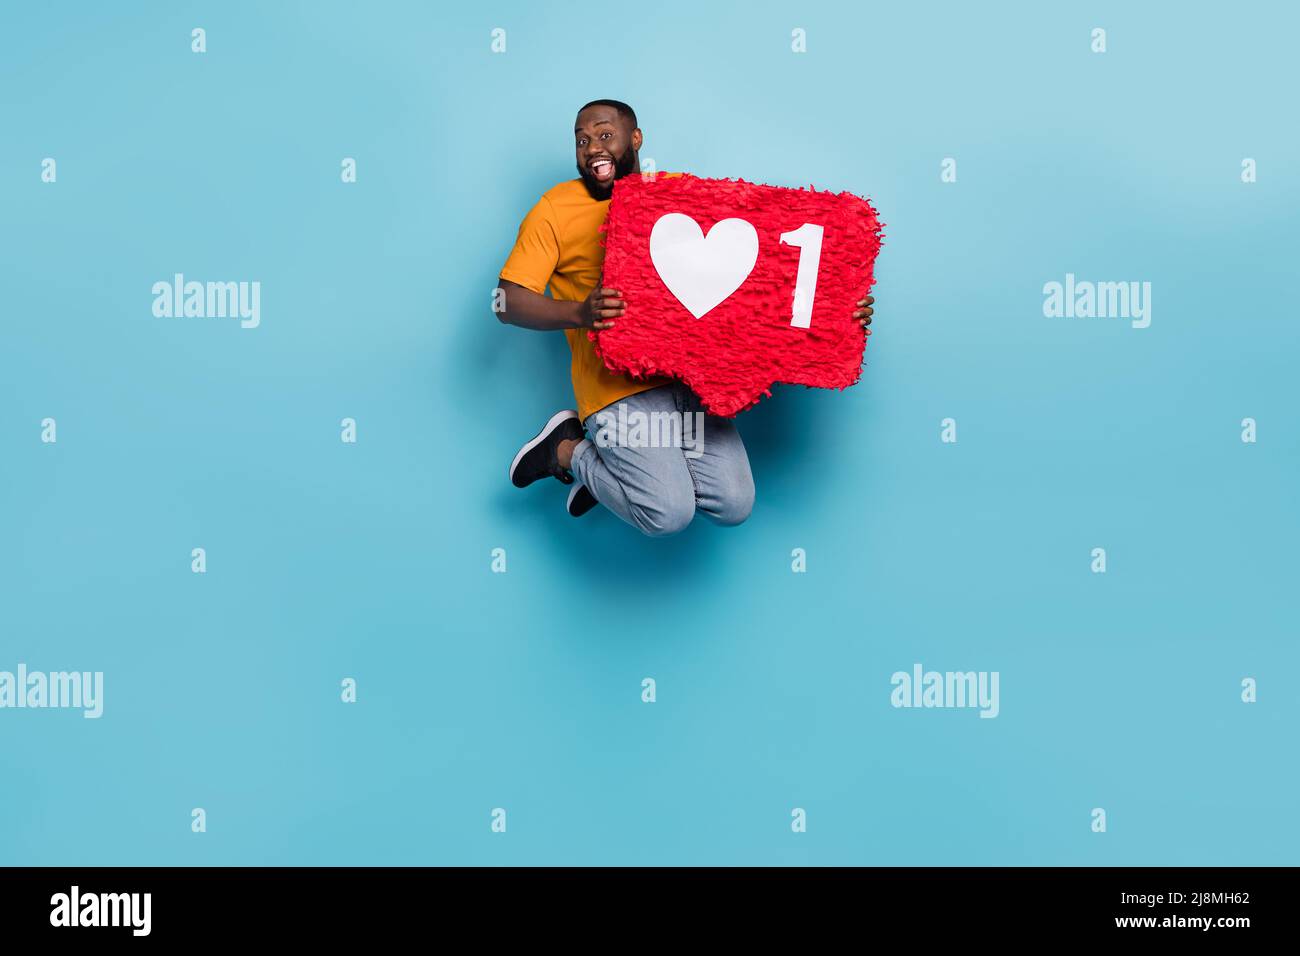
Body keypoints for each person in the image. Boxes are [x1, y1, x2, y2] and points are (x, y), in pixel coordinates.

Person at [495, 99, 875, 536]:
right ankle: (567, 450)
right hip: (616, 391)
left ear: (635, 139)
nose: (592, 148)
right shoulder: (556, 207)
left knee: (735, 505)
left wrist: (835, 309)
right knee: (668, 514)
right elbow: (506, 302)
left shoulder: (676, 193)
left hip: (693, 384)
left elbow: (765, 267)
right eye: (582, 141)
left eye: (604, 135)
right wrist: (580, 311)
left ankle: (613, 479)